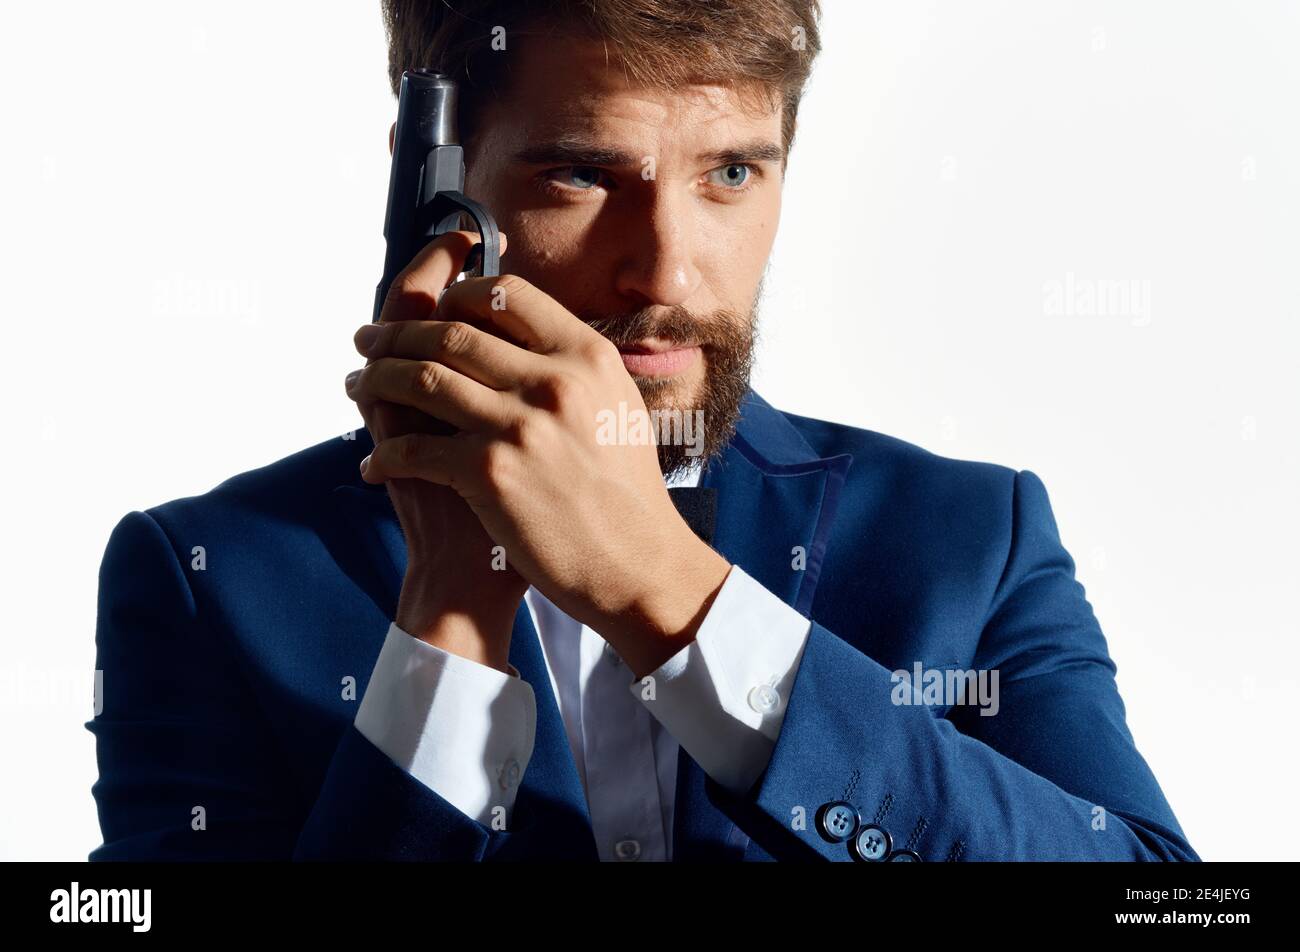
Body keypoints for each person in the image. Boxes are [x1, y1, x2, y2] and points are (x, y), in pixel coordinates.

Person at [87, 0, 1198, 862]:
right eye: (582, 172)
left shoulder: (972, 538)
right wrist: (450, 624)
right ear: (437, 188)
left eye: (728, 172)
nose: (664, 268)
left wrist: (669, 594)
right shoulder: (208, 579)